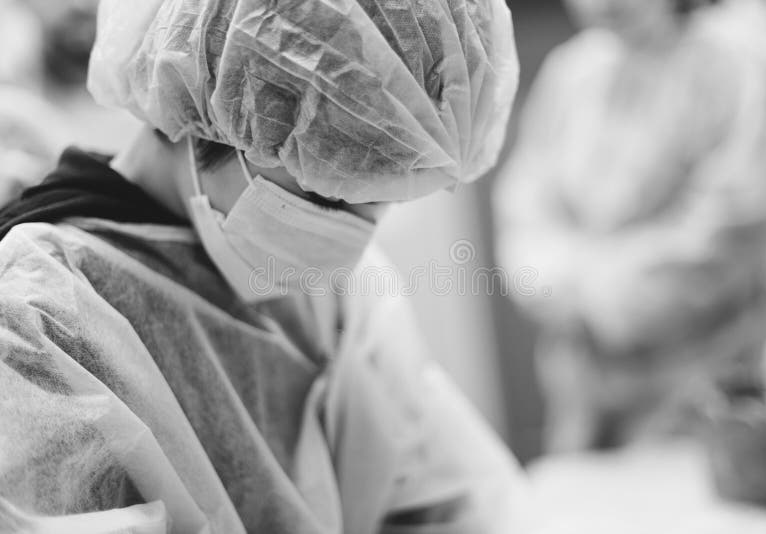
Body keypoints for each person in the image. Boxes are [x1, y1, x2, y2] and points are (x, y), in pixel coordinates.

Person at [0, 0, 526, 532]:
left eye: (383, 195)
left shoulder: (340, 289)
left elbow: (456, 502)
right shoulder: (40, 324)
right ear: (215, 99)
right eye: (330, 195)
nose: (352, 237)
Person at [494, 0, 766, 452]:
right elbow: (526, 210)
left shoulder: (744, 59)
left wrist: (597, 291)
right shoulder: (575, 70)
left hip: (723, 380)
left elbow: (727, 230)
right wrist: (558, 286)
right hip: (589, 387)